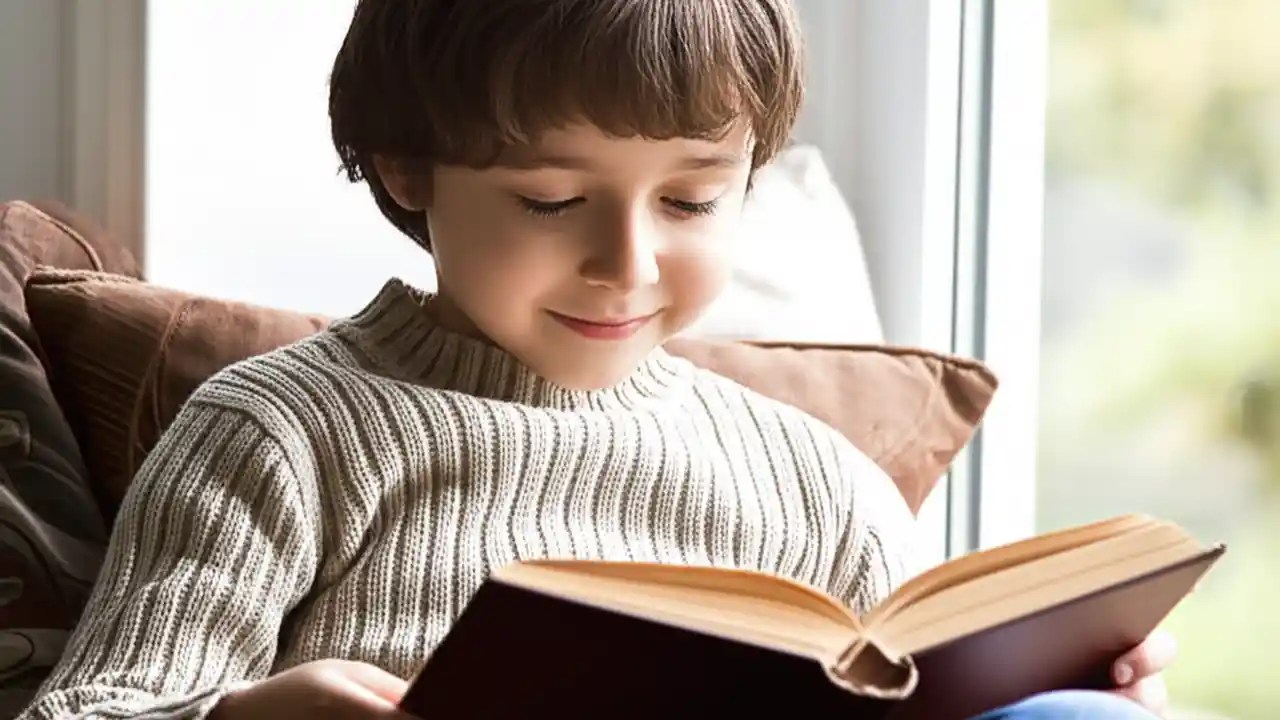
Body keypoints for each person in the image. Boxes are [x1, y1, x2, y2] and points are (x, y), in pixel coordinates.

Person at [16, 1, 1175, 718]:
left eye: (691, 198)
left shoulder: (819, 485)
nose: (626, 262)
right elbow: (96, 711)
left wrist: (1069, 686)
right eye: (552, 199)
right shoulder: (278, 432)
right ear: (407, 168)